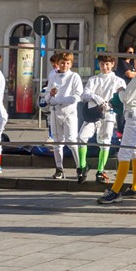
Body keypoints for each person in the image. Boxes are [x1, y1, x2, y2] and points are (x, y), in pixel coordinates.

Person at [97, 56, 136, 203]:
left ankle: (115, 191)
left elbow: (126, 98)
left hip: (134, 115)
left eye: (135, 60)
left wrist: (121, 91)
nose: (133, 63)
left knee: (124, 153)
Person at [76, 55, 124, 185]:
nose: (105, 67)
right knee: (81, 137)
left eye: (107, 64)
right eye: (102, 64)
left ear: (112, 64)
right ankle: (83, 166)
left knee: (105, 142)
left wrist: (111, 104)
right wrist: (95, 97)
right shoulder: (93, 79)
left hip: (108, 115)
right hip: (93, 114)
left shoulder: (119, 81)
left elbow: (122, 99)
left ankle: (100, 170)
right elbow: (84, 95)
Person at [42, 50, 83, 178]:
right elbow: (47, 98)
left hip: (69, 113)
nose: (64, 65)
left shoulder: (74, 77)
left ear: (71, 64)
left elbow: (77, 96)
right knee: (57, 142)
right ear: (57, 63)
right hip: (55, 113)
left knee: (71, 140)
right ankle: (59, 168)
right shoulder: (53, 77)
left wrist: (59, 100)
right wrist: (50, 94)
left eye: (67, 63)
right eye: (62, 63)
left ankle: (79, 167)